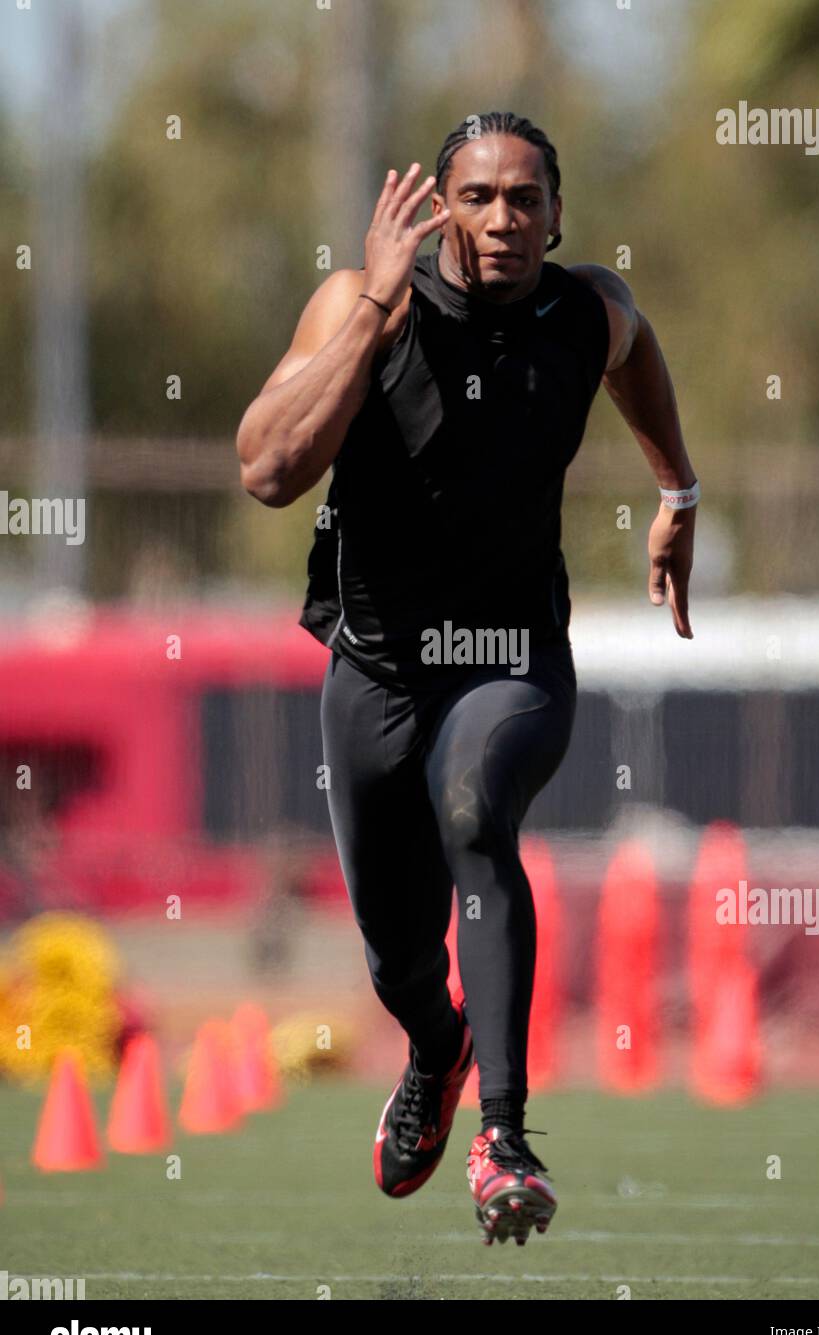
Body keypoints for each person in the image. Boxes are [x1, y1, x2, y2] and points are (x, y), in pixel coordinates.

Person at [236, 111, 698, 1247]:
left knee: (476, 812)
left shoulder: (585, 308)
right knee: (398, 957)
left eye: (525, 198)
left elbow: (635, 355)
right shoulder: (360, 303)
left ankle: (504, 1134)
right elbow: (266, 468)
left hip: (510, 657)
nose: (502, 218)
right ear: (439, 208)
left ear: (557, 214)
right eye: (478, 196)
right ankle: (435, 1050)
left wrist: (678, 491)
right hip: (377, 671)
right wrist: (376, 314)